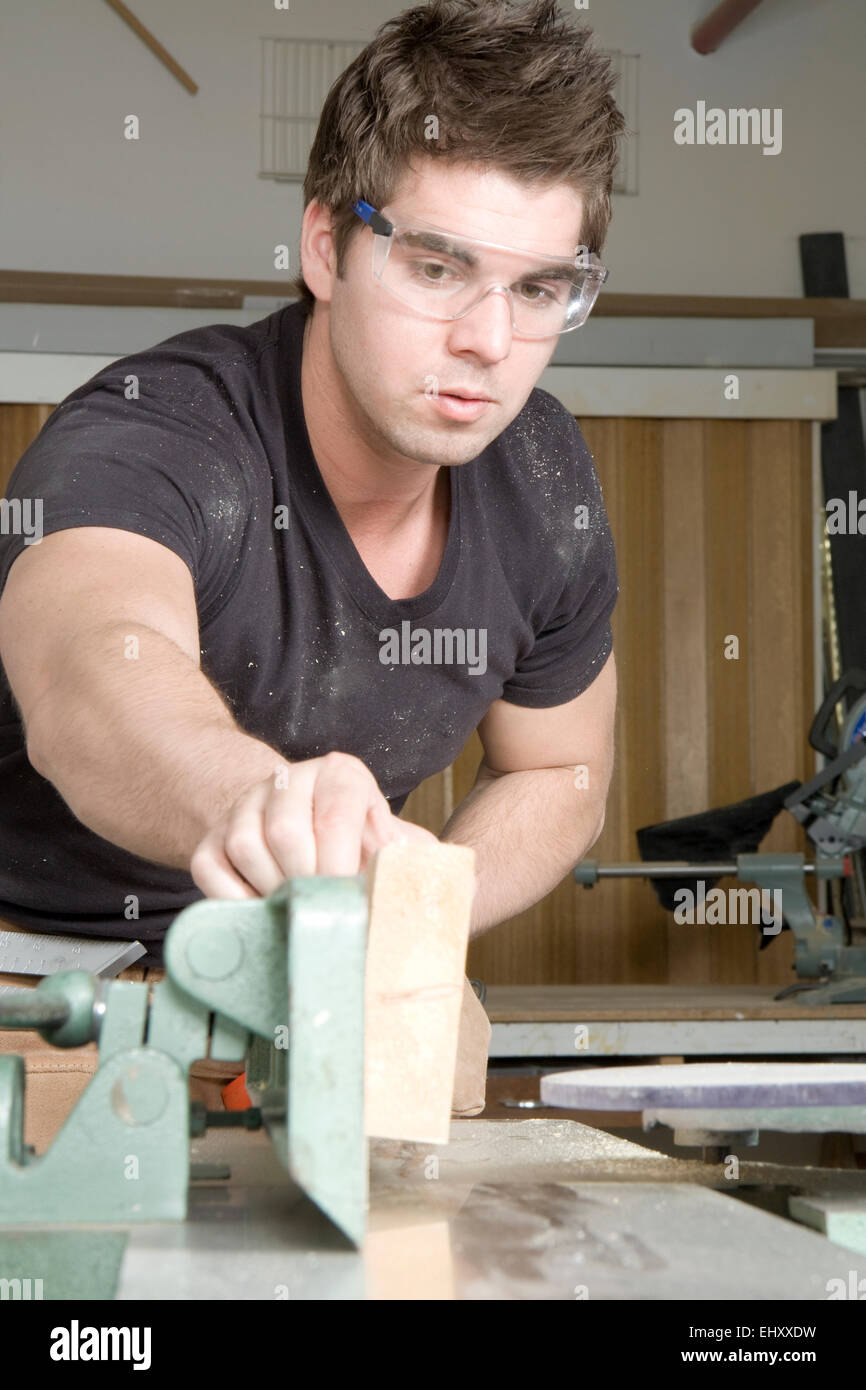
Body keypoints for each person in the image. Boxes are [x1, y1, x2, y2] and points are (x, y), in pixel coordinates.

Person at [0, 0, 623, 1146]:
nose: (489, 339)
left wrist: (415, 905)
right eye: (438, 265)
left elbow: (563, 770)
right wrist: (252, 804)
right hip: (33, 983)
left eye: (538, 289)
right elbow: (92, 677)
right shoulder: (157, 433)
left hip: (311, 975)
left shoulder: (542, 472)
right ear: (326, 246)